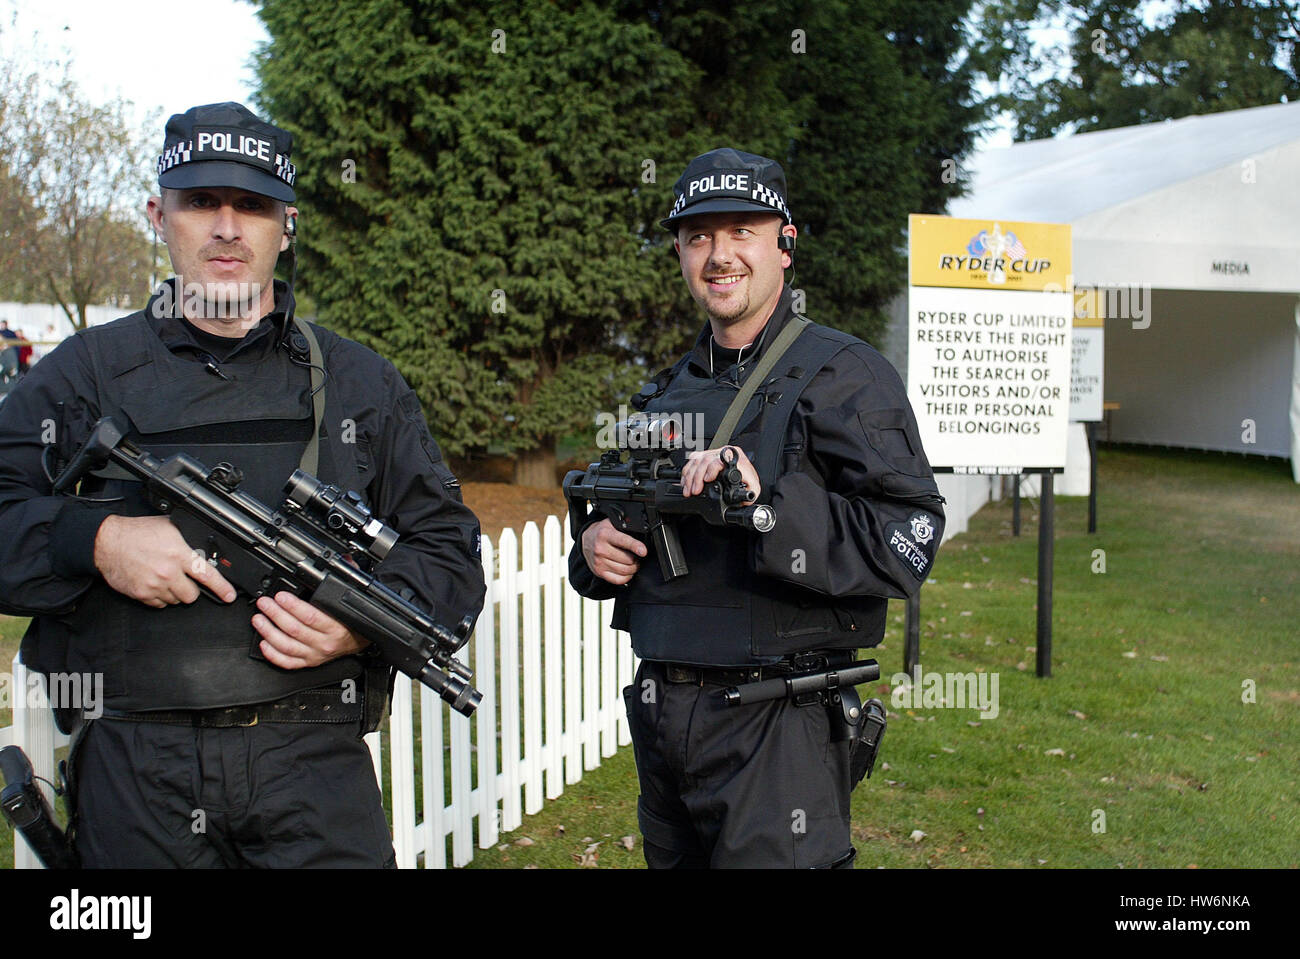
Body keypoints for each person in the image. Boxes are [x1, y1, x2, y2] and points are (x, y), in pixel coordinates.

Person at [0, 102, 486, 868]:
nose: (227, 226)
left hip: (313, 770)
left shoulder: (358, 384)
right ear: (159, 216)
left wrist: (362, 627)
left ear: (285, 226)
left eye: (252, 205)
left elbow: (450, 550)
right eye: (202, 202)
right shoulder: (81, 375)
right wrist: (94, 539)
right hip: (134, 771)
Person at [568, 148, 945, 869]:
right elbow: (611, 522)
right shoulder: (662, 392)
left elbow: (911, 537)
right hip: (662, 710)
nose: (720, 256)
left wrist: (766, 506)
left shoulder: (846, 374)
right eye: (700, 236)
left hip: (777, 720)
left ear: (785, 244)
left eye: (743, 230)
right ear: (679, 251)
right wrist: (592, 551)